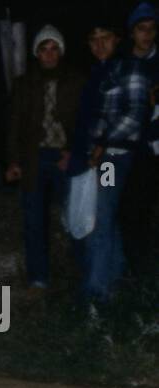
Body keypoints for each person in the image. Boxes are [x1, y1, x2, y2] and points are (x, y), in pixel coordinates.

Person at [70, 18, 151, 303]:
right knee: (106, 218)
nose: (99, 44)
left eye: (105, 37)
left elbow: (135, 116)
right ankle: (116, 276)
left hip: (113, 158)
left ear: (118, 40)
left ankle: (96, 292)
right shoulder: (97, 73)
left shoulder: (133, 68)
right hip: (95, 158)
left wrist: (102, 145)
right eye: (93, 39)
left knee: (98, 222)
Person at [5, 25, 86, 289]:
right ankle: (38, 277)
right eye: (44, 49)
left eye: (54, 49)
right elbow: (14, 123)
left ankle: (80, 272)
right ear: (36, 53)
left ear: (60, 52)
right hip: (34, 157)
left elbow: (86, 121)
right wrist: (14, 161)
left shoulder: (77, 79)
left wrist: (73, 152)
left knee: (74, 217)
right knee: (33, 220)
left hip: (65, 156)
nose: (49, 55)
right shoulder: (23, 83)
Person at [119, 3, 158, 269]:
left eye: (152, 29)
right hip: (133, 149)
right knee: (133, 209)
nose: (147, 34)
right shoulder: (122, 65)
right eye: (141, 29)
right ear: (132, 32)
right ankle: (136, 269)